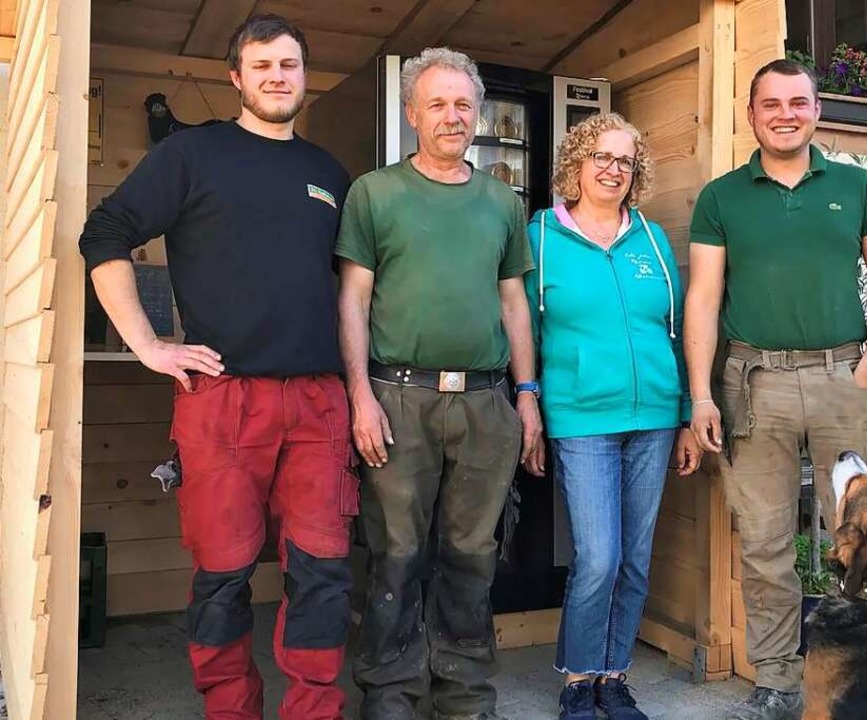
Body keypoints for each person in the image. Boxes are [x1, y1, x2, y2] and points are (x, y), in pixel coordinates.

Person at [78, 15, 354, 720]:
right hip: (223, 400)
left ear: (303, 76)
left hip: (321, 402)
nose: (275, 76)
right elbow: (104, 232)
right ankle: (230, 709)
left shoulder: (327, 175)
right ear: (236, 78)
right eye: (260, 65)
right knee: (223, 575)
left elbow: (352, 290)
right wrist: (147, 344)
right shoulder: (192, 155)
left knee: (322, 575)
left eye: (288, 64)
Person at [683, 59, 867, 720]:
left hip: (842, 375)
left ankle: (865, 670)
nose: (784, 113)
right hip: (754, 384)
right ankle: (778, 680)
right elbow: (702, 298)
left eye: (797, 102)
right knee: (764, 542)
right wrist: (700, 393)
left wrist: (864, 373)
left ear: (816, 111)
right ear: (751, 114)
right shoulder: (721, 197)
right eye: (770, 103)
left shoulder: (856, 186)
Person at [335, 47, 543, 720]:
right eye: (437, 104)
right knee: (395, 554)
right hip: (398, 396)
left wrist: (526, 396)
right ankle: (390, 693)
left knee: (472, 557)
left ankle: (463, 694)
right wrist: (360, 396)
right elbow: (353, 300)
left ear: (476, 112)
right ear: (410, 114)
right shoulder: (375, 193)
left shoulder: (500, 200)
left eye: (462, 104)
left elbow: (514, 301)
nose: (452, 117)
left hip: (486, 402)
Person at [523, 112, 702, 720]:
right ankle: (578, 679)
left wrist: (682, 415)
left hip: (652, 417)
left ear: (636, 172)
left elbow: (674, 332)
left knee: (634, 555)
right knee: (598, 556)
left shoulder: (651, 238)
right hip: (581, 419)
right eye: (601, 156)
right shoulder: (541, 237)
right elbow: (523, 327)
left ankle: (613, 676)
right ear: (576, 163)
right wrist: (529, 403)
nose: (612, 169)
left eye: (624, 160)